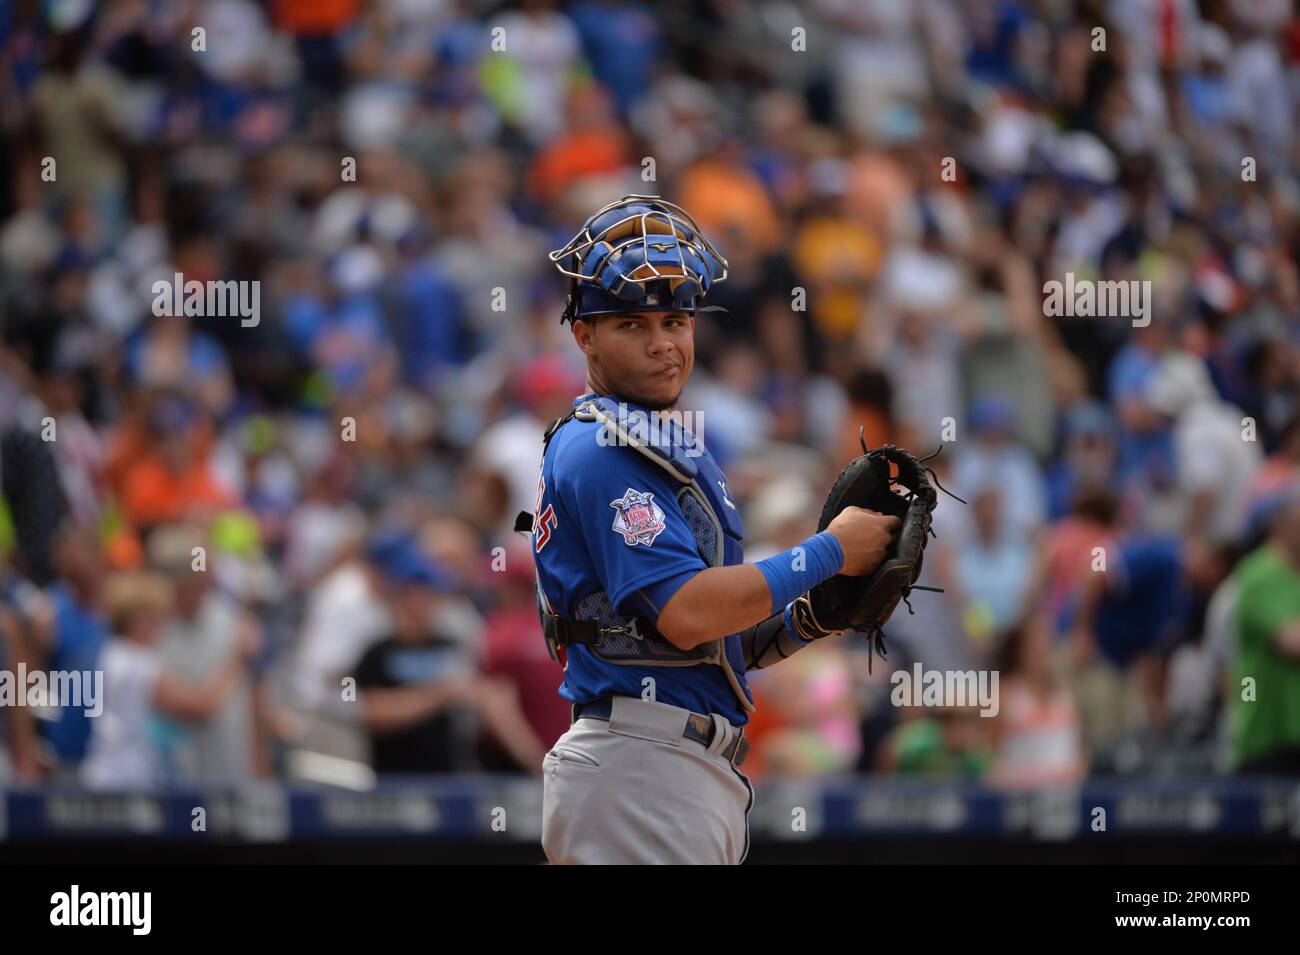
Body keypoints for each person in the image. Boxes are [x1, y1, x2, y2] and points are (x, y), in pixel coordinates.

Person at [526, 196, 898, 864]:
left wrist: (810, 617)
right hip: (643, 767)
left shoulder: (651, 442)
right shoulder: (605, 447)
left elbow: (704, 644)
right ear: (584, 335)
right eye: (633, 324)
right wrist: (830, 551)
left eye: (675, 320)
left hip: (666, 765)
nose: (662, 342)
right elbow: (686, 613)